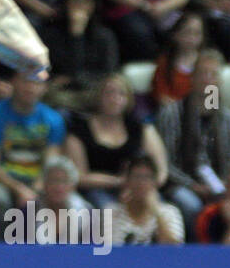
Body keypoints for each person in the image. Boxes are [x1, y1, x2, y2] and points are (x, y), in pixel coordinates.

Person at [156, 49, 230, 223]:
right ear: (192, 78)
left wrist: (226, 183)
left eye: (213, 74)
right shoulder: (171, 114)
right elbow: (165, 162)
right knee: (191, 206)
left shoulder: (228, 117)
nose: (208, 79)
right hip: (181, 183)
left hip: (221, 183)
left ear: (220, 80)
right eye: (203, 73)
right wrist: (194, 186)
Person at [64, 72, 167, 208]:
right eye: (109, 93)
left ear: (129, 99)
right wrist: (119, 182)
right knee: (109, 209)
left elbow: (161, 171)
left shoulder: (142, 128)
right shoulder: (79, 130)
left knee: (160, 207)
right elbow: (77, 176)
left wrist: (140, 187)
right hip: (96, 189)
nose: (115, 99)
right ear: (99, 97)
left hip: (139, 186)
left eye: (121, 94)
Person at [0, 70, 67, 216]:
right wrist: (19, 189)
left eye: (36, 82)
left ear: (44, 88)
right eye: (25, 81)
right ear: (13, 82)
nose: (30, 87)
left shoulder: (54, 119)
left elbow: (51, 164)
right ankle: (0, 239)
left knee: (70, 202)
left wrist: (36, 189)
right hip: (3, 181)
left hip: (40, 181)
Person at [40, 0, 119, 111]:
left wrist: (75, 79)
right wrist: (76, 36)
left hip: (93, 91)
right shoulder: (51, 34)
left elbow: (109, 71)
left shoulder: (104, 36)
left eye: (85, 1)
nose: (80, 6)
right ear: (66, 4)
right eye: (75, 1)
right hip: (60, 93)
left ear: (93, 5)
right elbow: (52, 69)